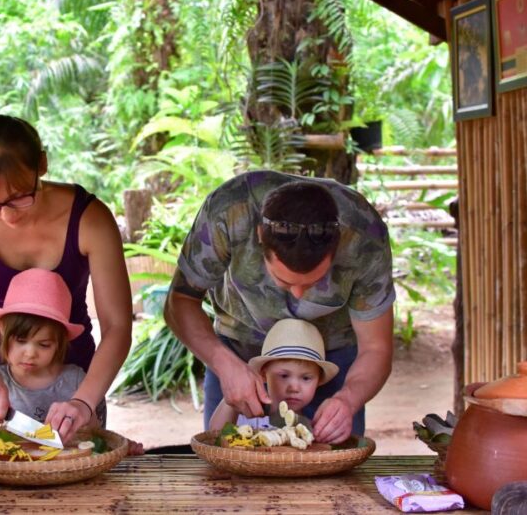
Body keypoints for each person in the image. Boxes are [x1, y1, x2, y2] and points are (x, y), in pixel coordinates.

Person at [0, 114, 132, 442]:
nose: (6, 215)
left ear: (41, 164)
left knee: (77, 482)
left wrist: (83, 401)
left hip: (72, 389)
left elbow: (118, 327)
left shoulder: (90, 219)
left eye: (19, 197)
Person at [164, 171, 395, 444]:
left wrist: (347, 399)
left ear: (339, 243)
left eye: (315, 282)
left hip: (329, 355)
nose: (298, 295)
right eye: (284, 281)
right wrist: (224, 363)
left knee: (334, 466)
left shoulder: (364, 235)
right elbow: (180, 301)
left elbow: (376, 348)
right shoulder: (228, 212)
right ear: (260, 236)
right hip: (240, 345)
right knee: (227, 455)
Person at [0, 268, 144, 455]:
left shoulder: (75, 380)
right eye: (21, 341)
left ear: (59, 344)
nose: (30, 353)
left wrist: (119, 447)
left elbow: (96, 437)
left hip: (68, 472)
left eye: (44, 344)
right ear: (3, 333)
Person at [209, 318, 338, 432]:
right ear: (263, 374)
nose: (294, 388)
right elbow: (214, 433)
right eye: (284, 376)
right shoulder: (246, 416)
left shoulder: (313, 428)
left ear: (318, 380)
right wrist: (233, 399)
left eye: (306, 378)